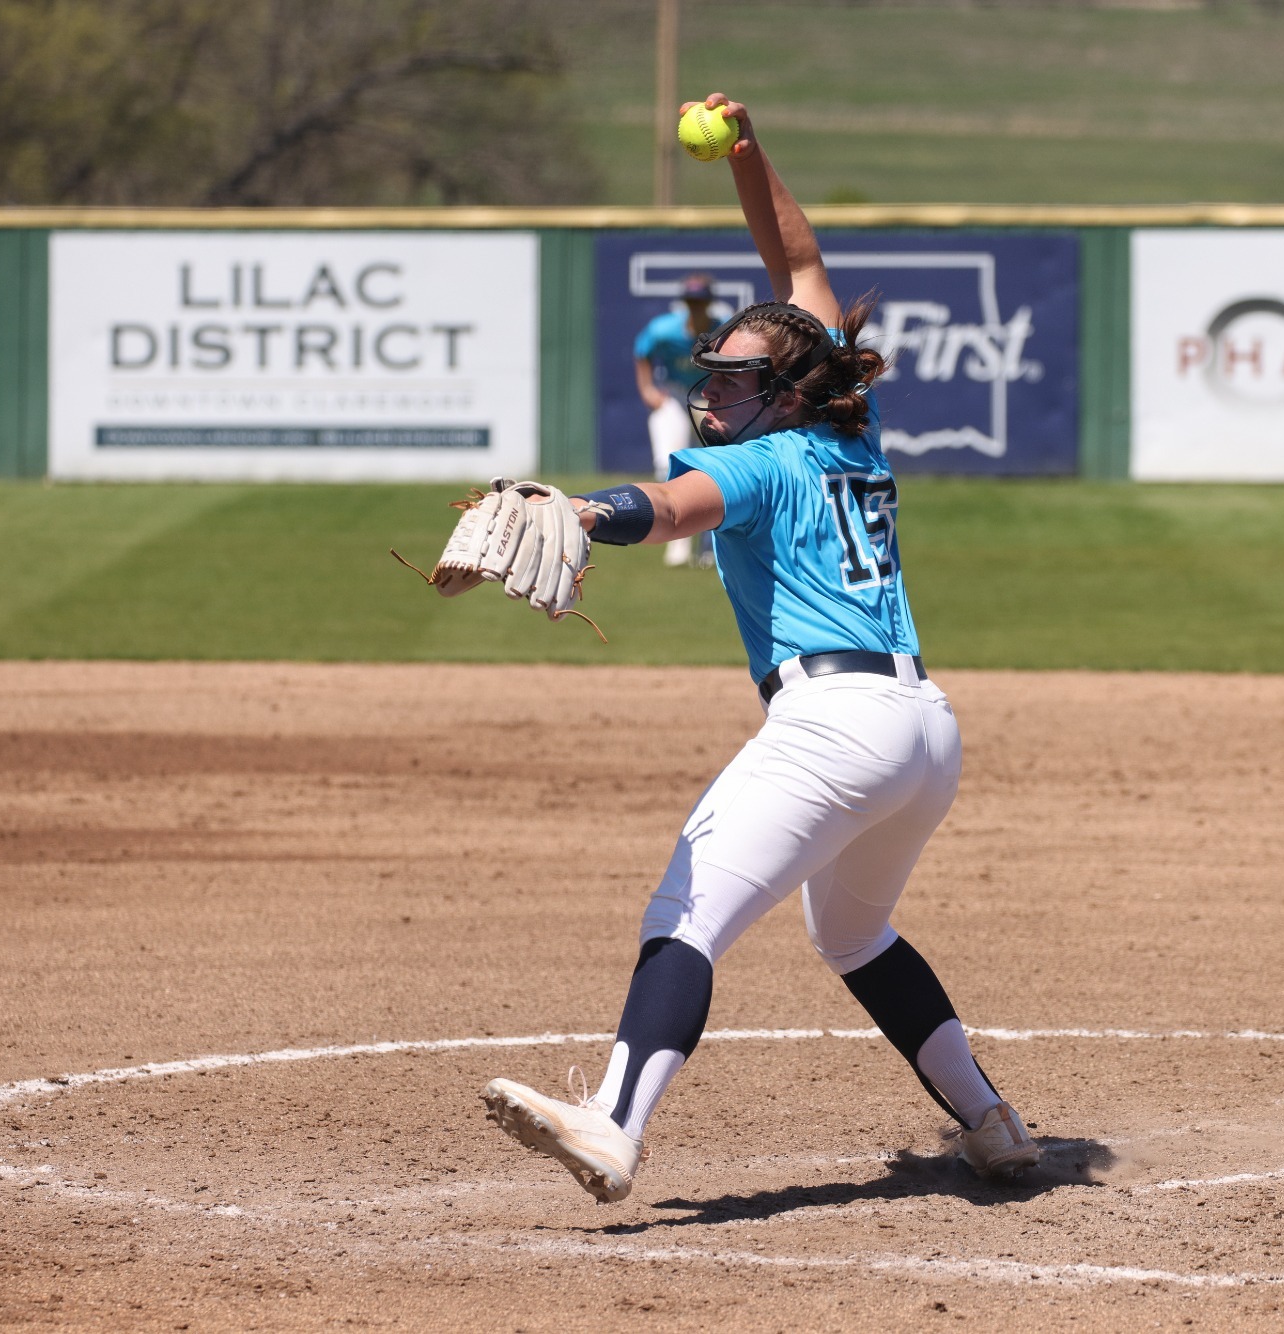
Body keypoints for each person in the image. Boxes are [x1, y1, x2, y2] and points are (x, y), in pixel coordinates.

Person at [479, 92, 1041, 1204]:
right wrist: (743, 150)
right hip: (924, 730)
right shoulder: (846, 428)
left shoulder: (765, 459)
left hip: (832, 727)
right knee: (852, 930)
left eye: (733, 377)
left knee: (682, 916)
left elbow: (667, 506)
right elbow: (797, 254)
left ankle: (613, 1124)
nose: (712, 388)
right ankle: (991, 1119)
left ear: (783, 387)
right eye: (711, 373)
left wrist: (582, 514)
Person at [633, 273, 719, 567]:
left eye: (701, 301)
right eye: (691, 301)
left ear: (709, 303)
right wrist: (647, 389)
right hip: (674, 394)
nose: (696, 307)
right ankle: (677, 544)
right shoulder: (665, 329)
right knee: (667, 464)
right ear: (685, 303)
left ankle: (710, 548)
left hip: (708, 397)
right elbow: (642, 350)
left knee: (714, 465)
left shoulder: (722, 331)